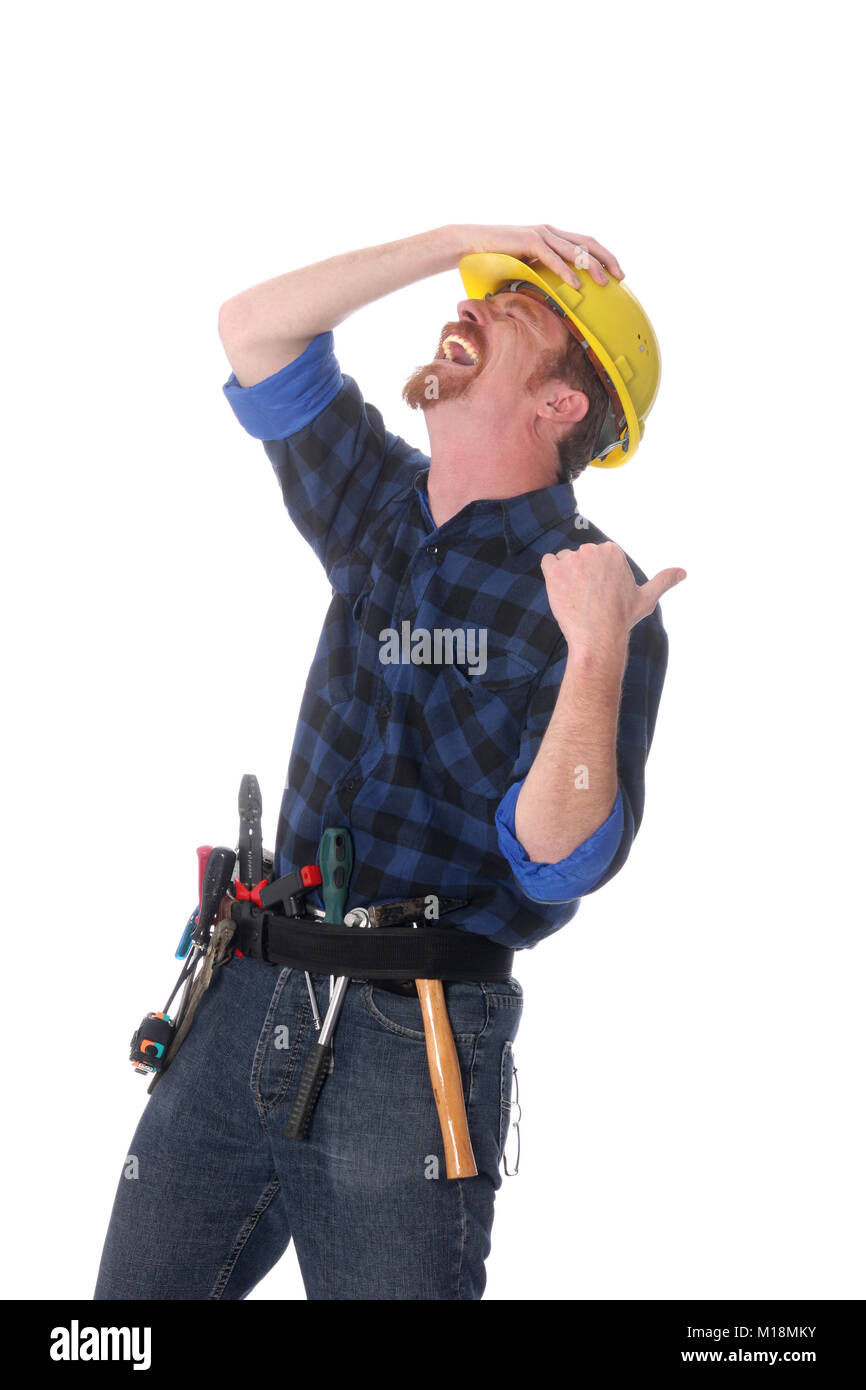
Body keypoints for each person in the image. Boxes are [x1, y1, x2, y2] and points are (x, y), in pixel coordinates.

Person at [94, 223, 685, 1301]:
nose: (463, 310)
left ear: (561, 404)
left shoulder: (596, 599)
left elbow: (557, 860)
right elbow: (254, 330)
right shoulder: (377, 503)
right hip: (241, 995)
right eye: (471, 298)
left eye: (510, 314)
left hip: (405, 1052)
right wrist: (465, 241)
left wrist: (596, 648)